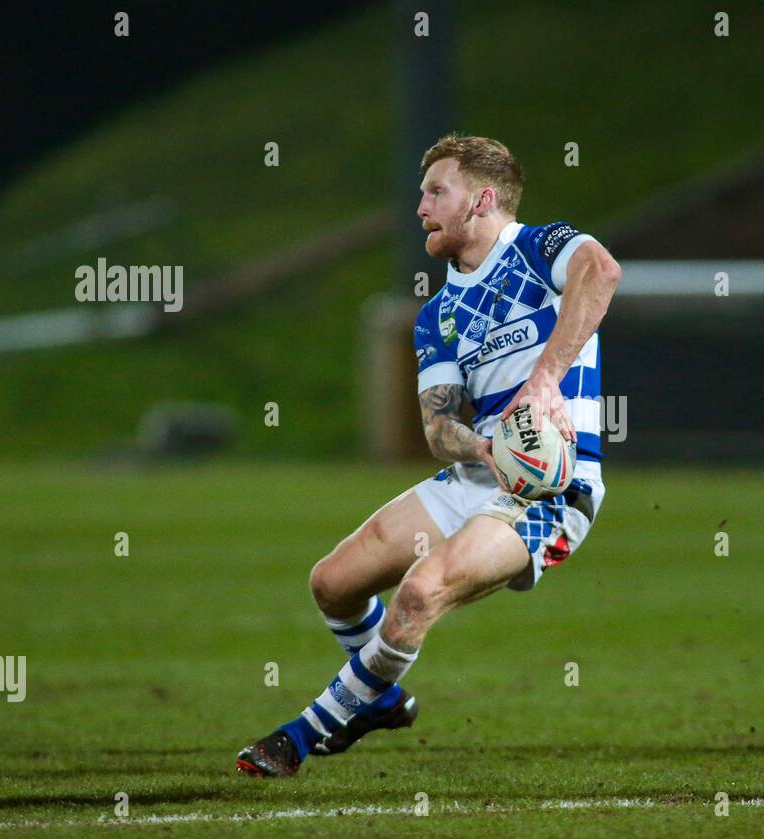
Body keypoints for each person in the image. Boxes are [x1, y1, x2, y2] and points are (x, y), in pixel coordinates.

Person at [237, 134, 620, 777]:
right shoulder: (438, 314)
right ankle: (377, 695)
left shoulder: (540, 248)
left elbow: (602, 272)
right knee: (332, 583)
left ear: (483, 199)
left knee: (419, 593)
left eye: (436, 191)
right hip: (482, 472)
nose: (421, 206)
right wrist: (485, 445)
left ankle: (300, 736)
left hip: (551, 489)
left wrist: (546, 378)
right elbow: (438, 426)